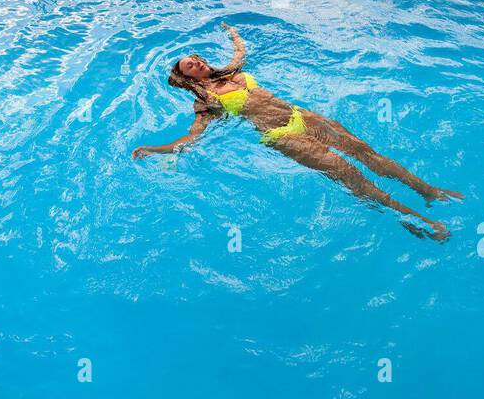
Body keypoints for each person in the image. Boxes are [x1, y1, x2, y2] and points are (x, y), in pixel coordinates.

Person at [132, 24, 461, 240]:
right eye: (189, 65)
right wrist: (157, 149)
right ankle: (414, 219)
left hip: (301, 115)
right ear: (185, 77)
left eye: (196, 59)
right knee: (348, 173)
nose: (197, 63)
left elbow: (240, 52)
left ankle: (427, 190)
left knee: (365, 152)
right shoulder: (205, 100)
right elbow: (193, 137)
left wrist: (232, 34)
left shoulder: (233, 72)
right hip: (281, 136)